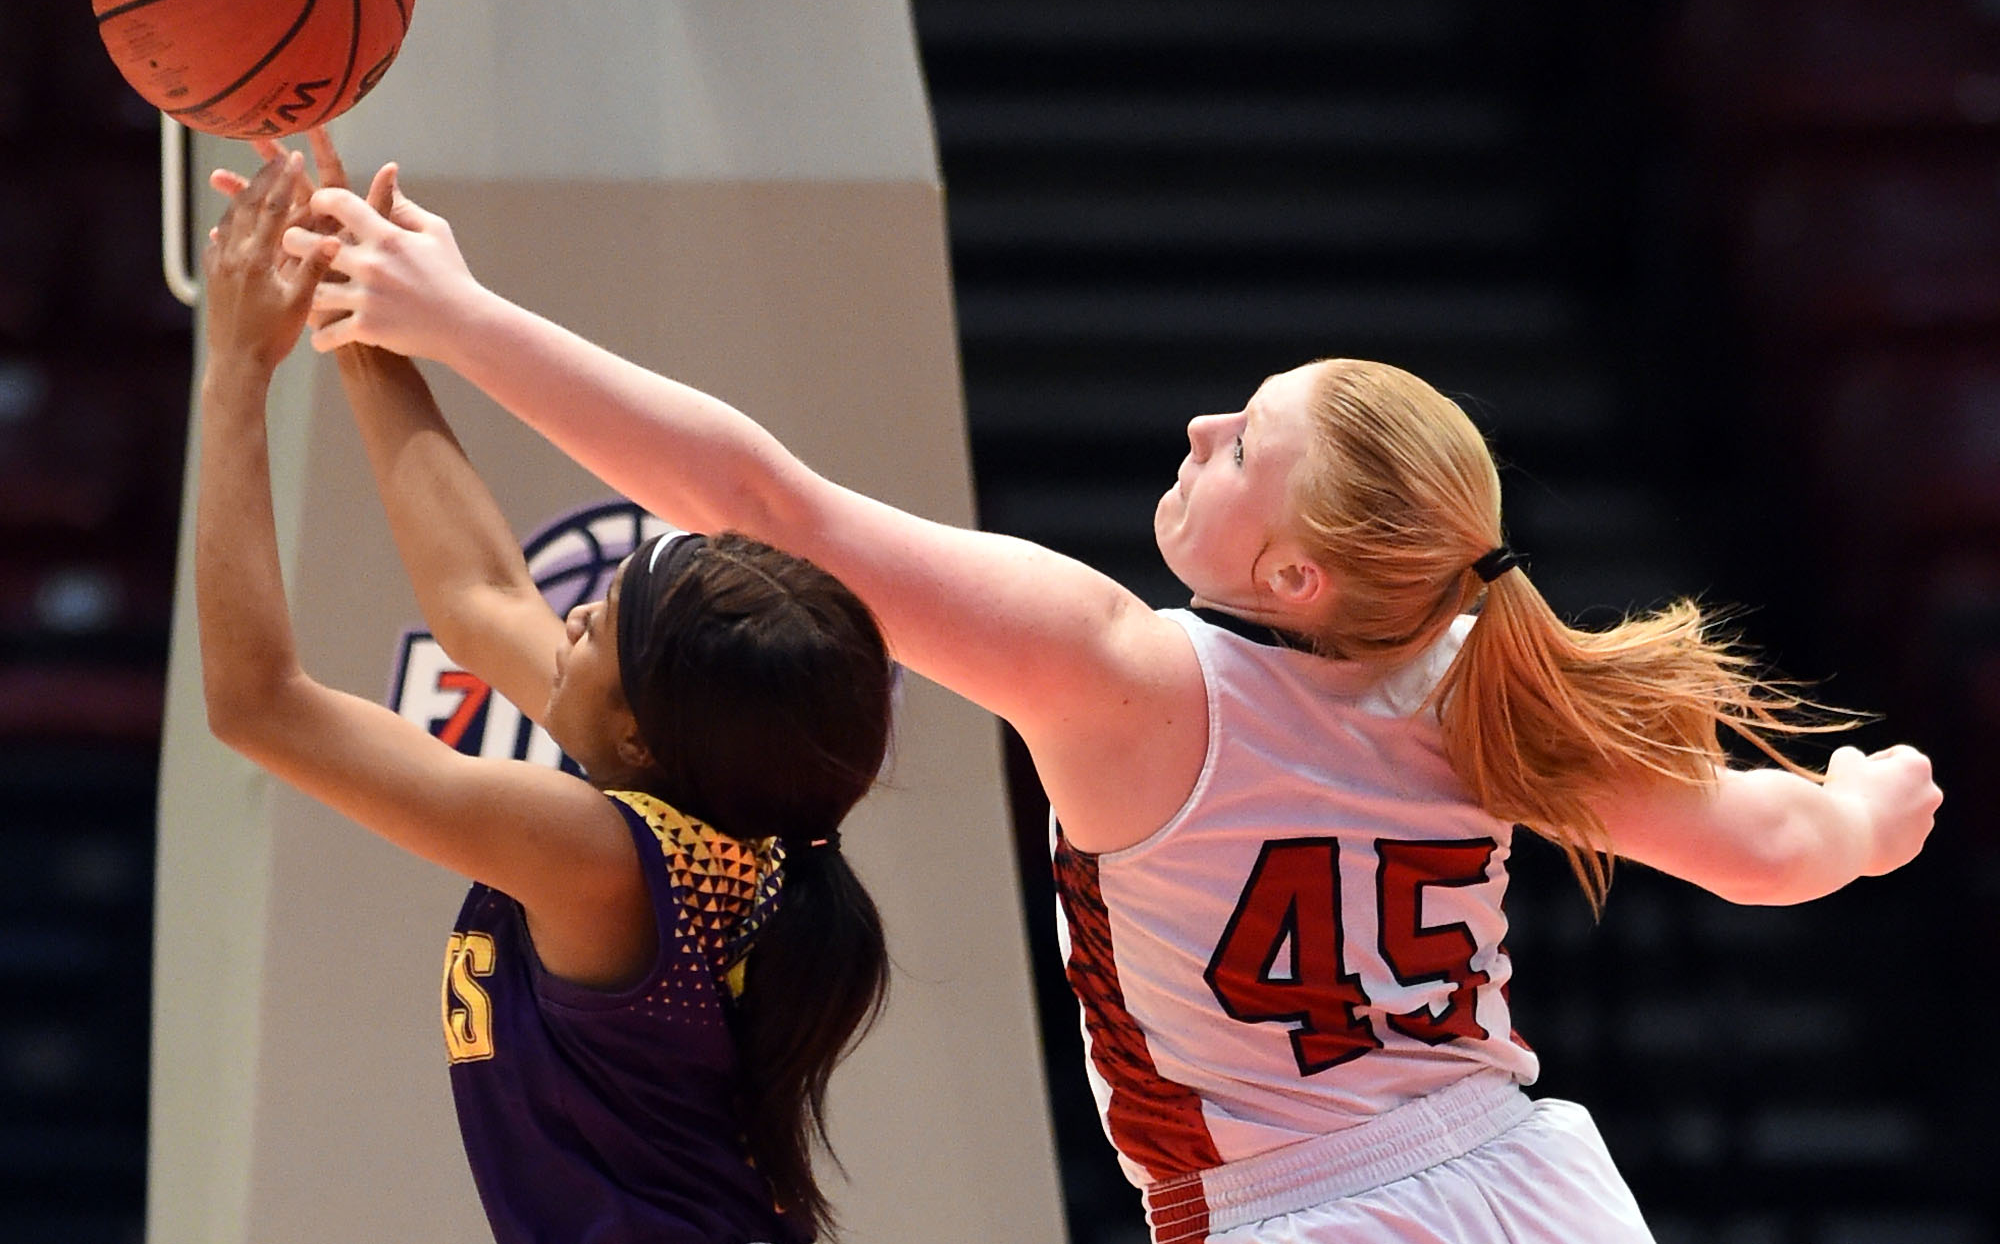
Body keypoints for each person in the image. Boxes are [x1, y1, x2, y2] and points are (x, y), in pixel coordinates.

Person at [283, 168, 1940, 1244]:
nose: (1210, 418)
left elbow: (758, 497)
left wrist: (458, 316)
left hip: (1298, 1216)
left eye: (1248, 444)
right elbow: (1775, 845)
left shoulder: (1124, 672)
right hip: (1541, 1188)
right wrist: (1873, 806)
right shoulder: (1488, 683)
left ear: (1290, 572)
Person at [196, 139, 895, 1244]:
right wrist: (354, 316)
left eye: (598, 626)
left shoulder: (599, 855)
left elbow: (258, 704)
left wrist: (236, 368)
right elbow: (477, 595)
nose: (566, 616)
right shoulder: (705, 807)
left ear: (639, 730)